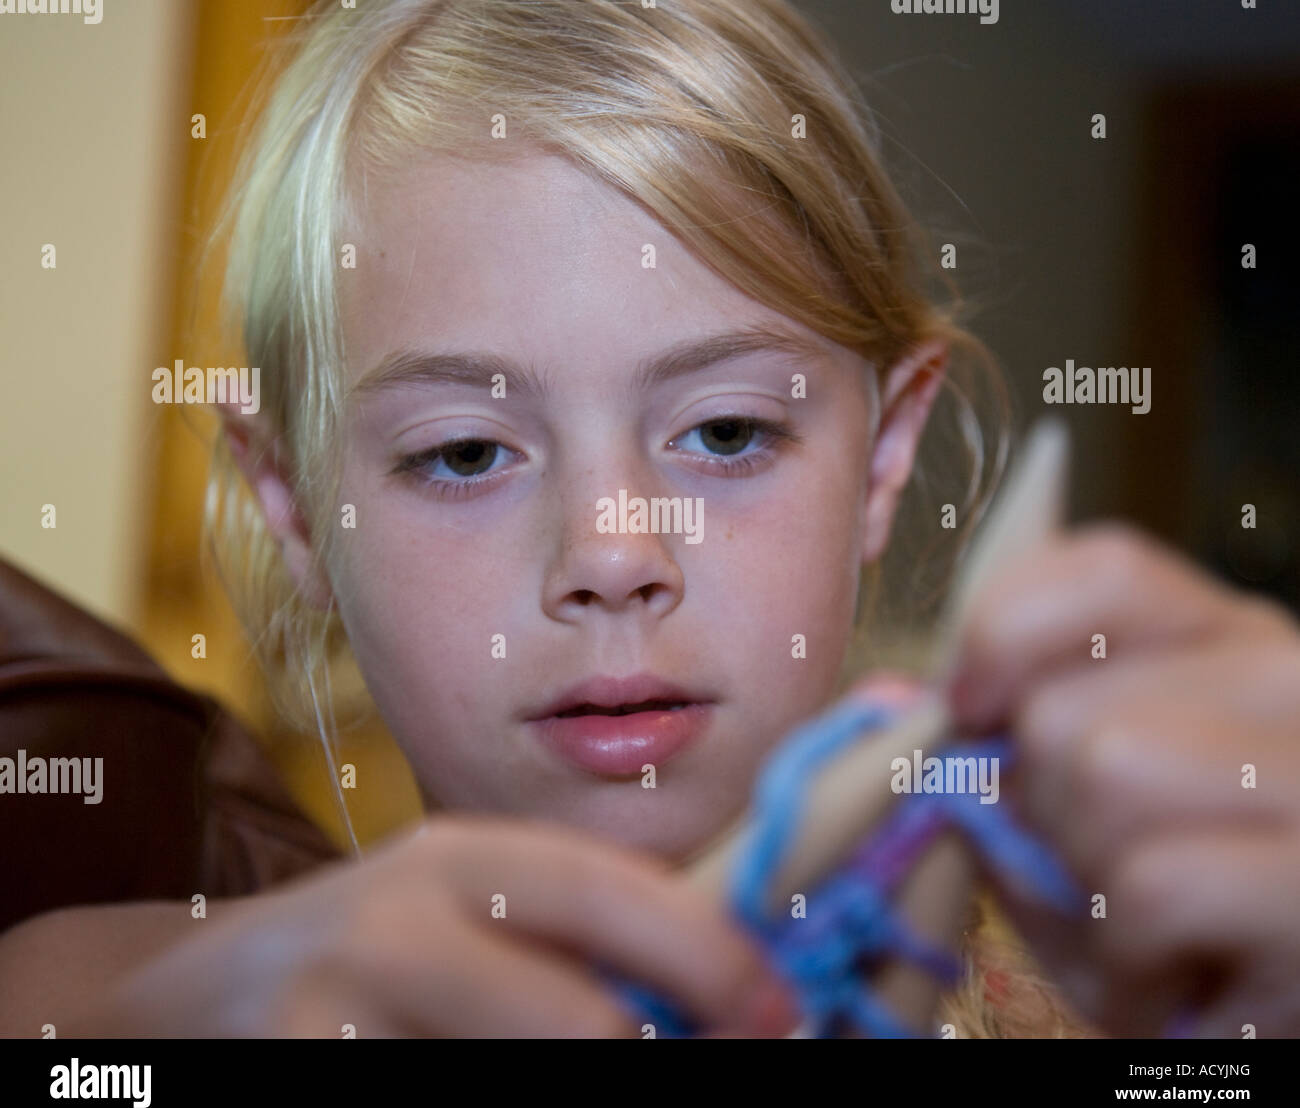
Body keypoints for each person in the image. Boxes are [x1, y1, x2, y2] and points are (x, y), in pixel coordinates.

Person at [4, 0, 1298, 1039]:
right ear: (292, 503)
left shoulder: (1145, 982)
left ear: (888, 450)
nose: (612, 554)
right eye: (463, 452)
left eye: (727, 433)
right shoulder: (132, 987)